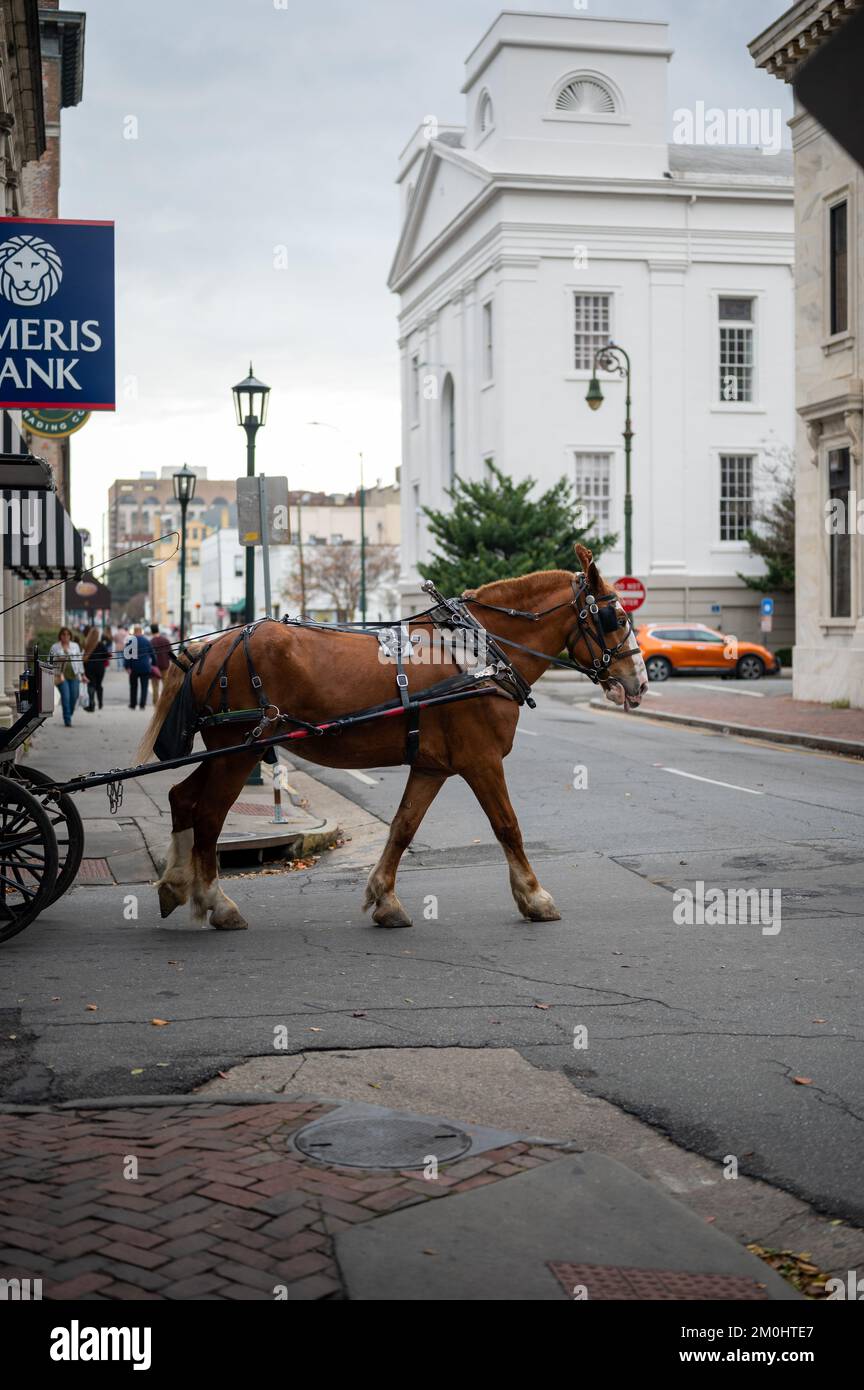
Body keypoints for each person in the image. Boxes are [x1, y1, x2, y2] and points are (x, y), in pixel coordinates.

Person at [48, 627, 87, 728]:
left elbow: (79, 661)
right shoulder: (55, 647)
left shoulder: (75, 646)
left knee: (74, 696)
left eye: (67, 634)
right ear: (60, 636)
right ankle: (67, 719)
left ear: (70, 636)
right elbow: (49, 662)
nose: (65, 636)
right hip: (61, 677)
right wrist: (57, 660)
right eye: (63, 634)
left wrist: (83, 675)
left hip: (74, 676)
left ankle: (69, 714)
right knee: (66, 697)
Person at [124, 624, 155, 709]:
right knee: (144, 687)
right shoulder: (146, 641)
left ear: (134, 631)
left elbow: (127, 655)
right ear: (141, 631)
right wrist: (154, 664)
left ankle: (133, 704)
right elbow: (152, 654)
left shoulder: (130, 641)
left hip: (133, 667)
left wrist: (127, 667)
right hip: (145, 667)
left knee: (133, 687)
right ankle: (142, 704)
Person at [84, 630, 111, 711]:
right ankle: (100, 703)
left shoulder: (87, 644)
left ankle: (91, 704)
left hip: (89, 667)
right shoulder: (100, 644)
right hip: (100, 667)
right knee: (99, 685)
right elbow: (107, 655)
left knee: (91, 685)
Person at [149, 622, 172, 702]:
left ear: (151, 631)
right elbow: (170, 654)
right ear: (158, 630)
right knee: (166, 686)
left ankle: (156, 704)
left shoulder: (151, 642)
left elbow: (149, 656)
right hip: (165, 666)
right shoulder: (166, 640)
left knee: (155, 687)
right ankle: (166, 702)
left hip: (155, 667)